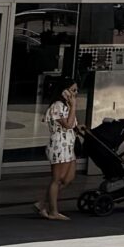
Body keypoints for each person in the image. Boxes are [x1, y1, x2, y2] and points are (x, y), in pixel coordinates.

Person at [36, 76, 79, 221]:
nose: (75, 93)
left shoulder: (66, 105)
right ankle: (53, 211)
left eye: (76, 90)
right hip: (59, 145)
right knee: (57, 179)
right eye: (73, 90)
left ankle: (43, 203)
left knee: (68, 178)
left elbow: (72, 124)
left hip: (69, 145)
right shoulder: (57, 106)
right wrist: (74, 106)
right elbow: (68, 124)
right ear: (64, 91)